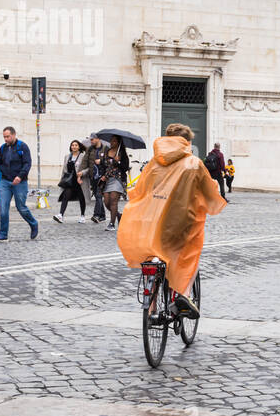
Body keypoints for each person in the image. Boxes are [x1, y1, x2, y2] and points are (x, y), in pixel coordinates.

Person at [117, 123, 227, 320]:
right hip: (182, 222)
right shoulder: (194, 163)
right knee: (188, 256)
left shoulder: (153, 163)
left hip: (155, 219)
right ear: (187, 142)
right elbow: (210, 191)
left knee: (154, 254)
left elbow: (140, 189)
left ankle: (151, 307)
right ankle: (182, 295)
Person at [0, 126, 39, 241]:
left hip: (20, 182)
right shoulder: (2, 148)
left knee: (21, 207)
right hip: (5, 182)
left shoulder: (22, 146)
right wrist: (4, 172)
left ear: (14, 135)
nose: (6, 139)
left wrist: (20, 176)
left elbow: (27, 163)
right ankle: (3, 234)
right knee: (3, 208)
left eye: (8, 136)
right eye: (4, 137)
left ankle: (33, 223)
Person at [54, 139, 88, 222]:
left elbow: (88, 168)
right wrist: (62, 181)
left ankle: (82, 216)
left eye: (76, 145)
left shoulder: (83, 156)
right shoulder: (67, 156)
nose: (74, 147)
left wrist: (82, 173)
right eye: (72, 145)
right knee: (66, 196)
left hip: (79, 181)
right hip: (69, 181)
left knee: (81, 198)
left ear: (79, 147)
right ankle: (60, 215)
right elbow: (64, 170)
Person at [101, 136, 130, 229]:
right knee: (106, 202)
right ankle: (118, 215)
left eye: (114, 141)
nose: (111, 142)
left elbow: (125, 168)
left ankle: (112, 224)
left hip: (118, 179)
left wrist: (118, 162)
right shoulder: (107, 152)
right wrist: (103, 175)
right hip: (108, 179)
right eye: (111, 141)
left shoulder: (122, 154)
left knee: (113, 200)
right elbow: (103, 165)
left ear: (118, 143)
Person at [80, 135, 106, 223]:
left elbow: (108, 162)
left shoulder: (105, 149)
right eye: (90, 139)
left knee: (98, 195)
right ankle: (103, 215)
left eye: (92, 139)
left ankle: (96, 215)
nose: (91, 141)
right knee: (96, 195)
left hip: (102, 177)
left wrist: (101, 162)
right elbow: (85, 162)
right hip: (93, 177)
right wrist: (80, 172)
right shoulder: (90, 149)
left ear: (98, 139)